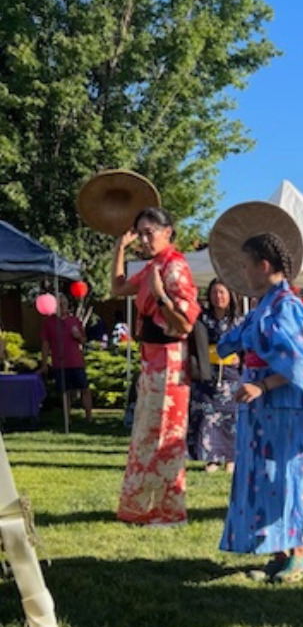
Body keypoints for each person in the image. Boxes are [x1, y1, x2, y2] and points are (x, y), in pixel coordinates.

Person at [215, 232, 303, 583]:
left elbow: (301, 365)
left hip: (281, 406)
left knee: (283, 477)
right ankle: (280, 552)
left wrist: (261, 384)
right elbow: (227, 344)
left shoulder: (287, 306)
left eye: (246, 266)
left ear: (263, 265)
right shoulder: (264, 305)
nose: (243, 273)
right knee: (264, 478)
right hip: (260, 407)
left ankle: (300, 552)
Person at [110, 206, 201, 526]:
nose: (146, 239)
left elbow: (186, 322)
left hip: (171, 361)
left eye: (151, 232)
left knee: (165, 437)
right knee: (147, 435)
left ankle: (169, 510)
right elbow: (118, 289)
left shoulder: (174, 267)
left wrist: (161, 296)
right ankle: (142, 507)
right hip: (152, 362)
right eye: (141, 233)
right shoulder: (154, 265)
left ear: (168, 231)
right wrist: (119, 248)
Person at [186, 278, 242, 473]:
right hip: (207, 369)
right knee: (207, 415)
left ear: (230, 295)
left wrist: (241, 359)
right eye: (214, 293)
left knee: (231, 416)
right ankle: (211, 458)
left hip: (230, 373)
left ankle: (231, 457)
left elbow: (247, 345)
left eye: (222, 292)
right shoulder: (202, 319)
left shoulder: (238, 320)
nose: (218, 297)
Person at [39, 294, 93, 422]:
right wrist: (44, 363)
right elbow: (45, 344)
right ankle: (67, 419)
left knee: (84, 389)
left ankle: (89, 417)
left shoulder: (75, 321)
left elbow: (84, 340)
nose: (63, 306)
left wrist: (78, 336)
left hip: (76, 362)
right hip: (60, 363)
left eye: (65, 303)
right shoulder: (49, 323)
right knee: (64, 392)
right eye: (60, 303)